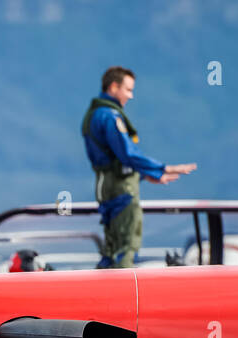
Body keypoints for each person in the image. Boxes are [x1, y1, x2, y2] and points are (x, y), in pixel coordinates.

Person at [82, 66, 197, 268]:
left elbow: (111, 159)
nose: (131, 96)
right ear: (114, 87)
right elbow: (127, 154)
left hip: (104, 187)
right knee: (126, 245)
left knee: (111, 247)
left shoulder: (92, 114)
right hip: (121, 189)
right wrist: (162, 168)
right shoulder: (109, 117)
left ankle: (101, 295)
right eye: (128, 90)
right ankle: (124, 296)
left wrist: (146, 175)